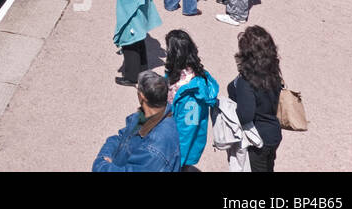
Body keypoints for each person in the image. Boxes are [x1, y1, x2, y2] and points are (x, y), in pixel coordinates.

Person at [91, 71, 181, 172]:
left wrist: (101, 165)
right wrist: (105, 156)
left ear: (141, 96)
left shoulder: (155, 149)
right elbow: (121, 137)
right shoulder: (145, 114)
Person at [228, 26, 284, 172]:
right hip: (273, 133)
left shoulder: (247, 81)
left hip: (257, 139)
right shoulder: (273, 70)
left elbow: (245, 115)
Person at [165, 29, 219, 171]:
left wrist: (176, 161)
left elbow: (187, 131)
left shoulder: (192, 96)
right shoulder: (176, 74)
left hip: (178, 151)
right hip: (169, 136)